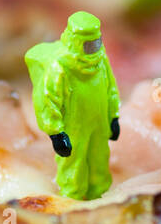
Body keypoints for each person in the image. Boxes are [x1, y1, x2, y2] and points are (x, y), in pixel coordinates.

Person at [25, 11, 120, 200]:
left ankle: (100, 195)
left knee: (99, 160)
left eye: (96, 42)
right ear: (76, 42)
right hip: (73, 127)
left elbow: (111, 88)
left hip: (99, 123)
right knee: (73, 166)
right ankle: (72, 200)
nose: (93, 48)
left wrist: (114, 116)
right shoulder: (59, 68)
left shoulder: (101, 60)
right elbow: (47, 100)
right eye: (88, 45)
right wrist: (56, 133)